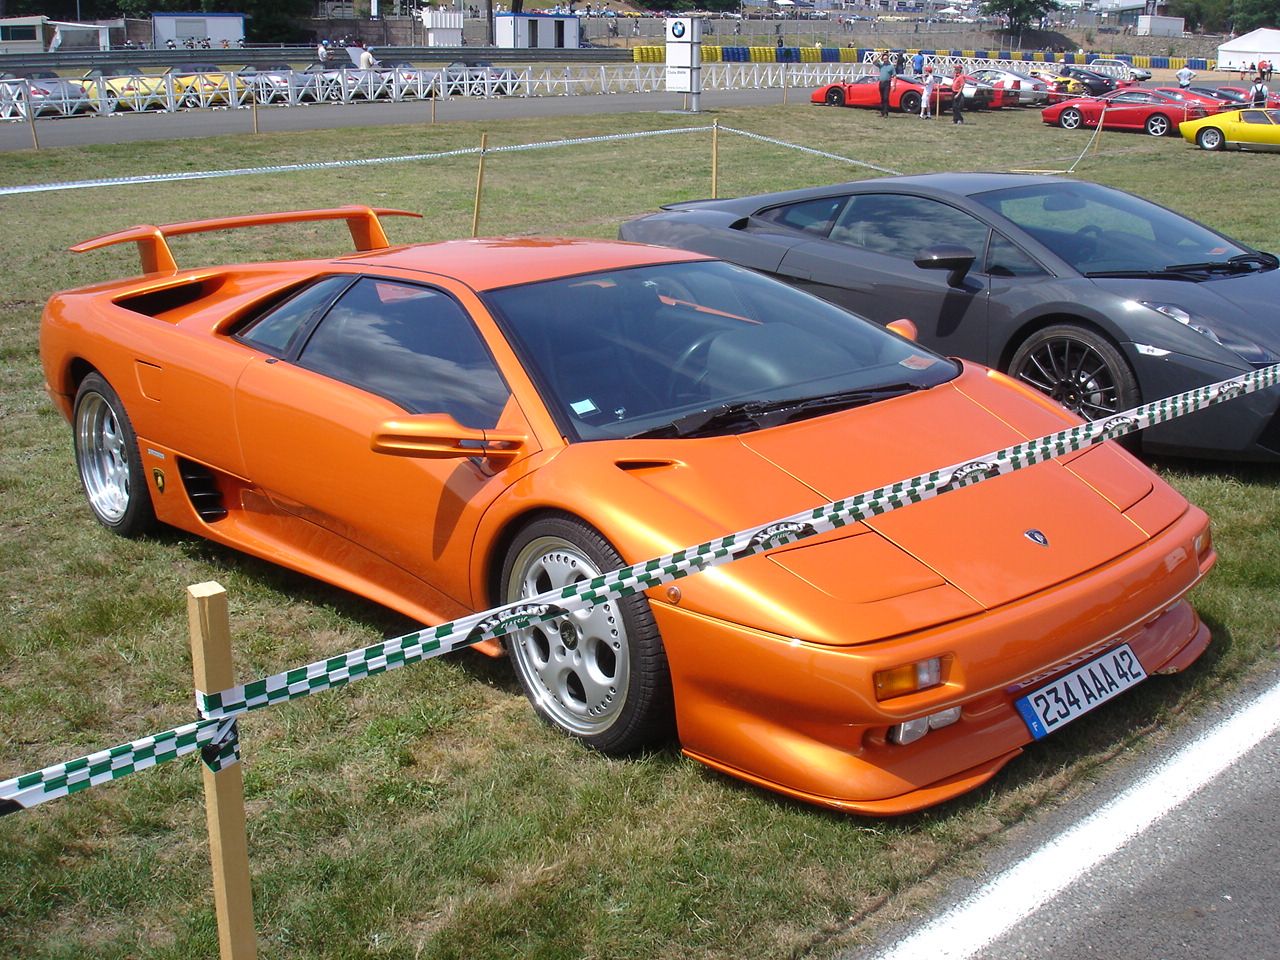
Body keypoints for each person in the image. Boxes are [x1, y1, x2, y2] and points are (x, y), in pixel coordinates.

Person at [877, 53, 894, 117]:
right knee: (882, 98)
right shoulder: (881, 65)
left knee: (886, 98)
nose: (885, 60)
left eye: (886, 58)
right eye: (884, 59)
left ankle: (886, 112)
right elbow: (874, 61)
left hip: (887, 83)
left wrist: (894, 85)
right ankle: (882, 112)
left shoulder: (891, 66)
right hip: (881, 83)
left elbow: (894, 75)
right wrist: (880, 56)